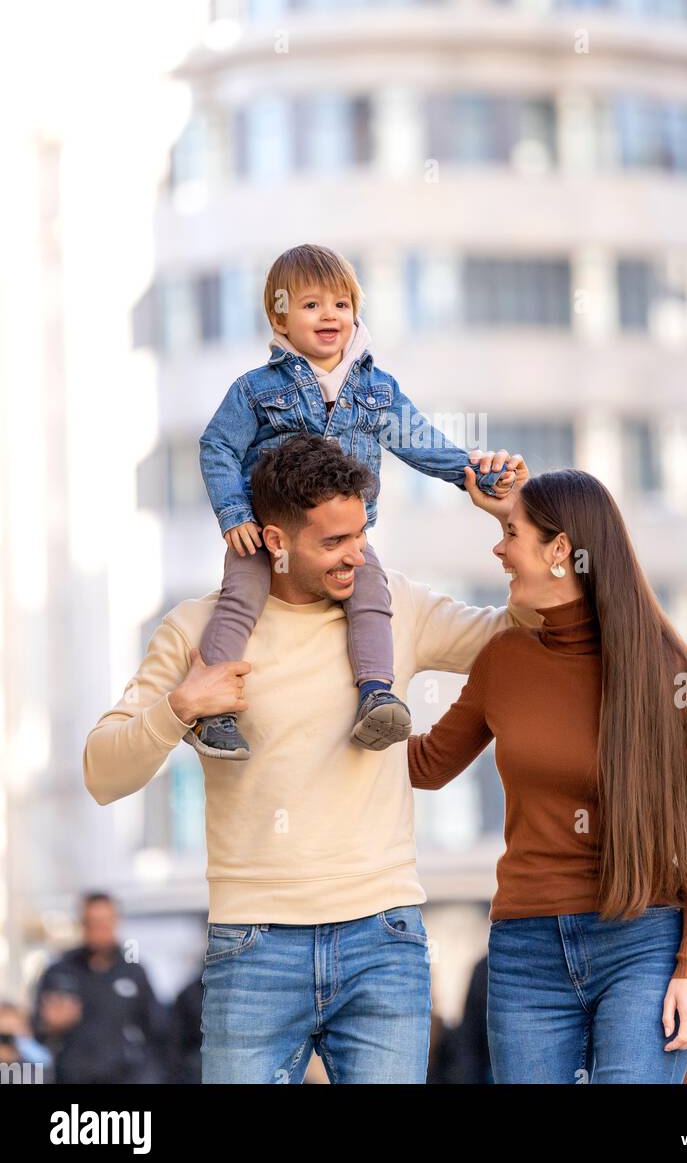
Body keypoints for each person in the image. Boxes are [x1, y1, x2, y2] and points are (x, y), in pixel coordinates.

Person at [83, 434, 538, 1084]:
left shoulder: (393, 609)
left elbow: (529, 629)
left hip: (383, 937)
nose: (356, 555)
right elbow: (102, 771)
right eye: (332, 543)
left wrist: (513, 517)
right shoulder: (197, 632)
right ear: (273, 540)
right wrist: (180, 706)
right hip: (252, 942)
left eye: (360, 534)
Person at [408, 467, 687, 1083]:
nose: (498, 548)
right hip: (525, 951)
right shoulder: (504, 660)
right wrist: (322, 716)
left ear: (561, 549)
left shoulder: (663, 667)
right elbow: (426, 766)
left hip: (640, 940)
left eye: (512, 534)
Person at [192, 243, 514, 760]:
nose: (330, 316)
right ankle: (213, 710)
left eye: (341, 304)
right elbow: (218, 447)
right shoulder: (255, 389)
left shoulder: (376, 390)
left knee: (371, 595)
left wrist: (473, 471)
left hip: (340, 538)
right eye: (312, 304)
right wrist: (234, 514)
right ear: (280, 314)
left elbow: (420, 441)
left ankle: (375, 696)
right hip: (267, 532)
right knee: (242, 595)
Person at [30, 892, 167, 1084]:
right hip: (72, 1078)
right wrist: (51, 1026)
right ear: (82, 924)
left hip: (125, 1079)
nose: (98, 930)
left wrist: (151, 1075)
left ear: (115, 922)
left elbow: (158, 1030)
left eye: (104, 923)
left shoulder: (134, 973)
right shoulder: (58, 972)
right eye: (92, 923)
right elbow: (36, 1030)